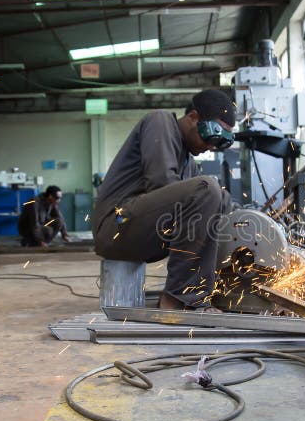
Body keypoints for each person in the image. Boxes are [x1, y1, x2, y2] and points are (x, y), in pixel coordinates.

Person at [92, 89, 235, 312]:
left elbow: (210, 205)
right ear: (193, 117)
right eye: (210, 137)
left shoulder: (188, 160)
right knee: (208, 188)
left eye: (218, 143)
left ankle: (218, 288)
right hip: (115, 227)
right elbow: (162, 184)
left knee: (222, 199)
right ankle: (178, 298)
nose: (210, 147)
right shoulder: (160, 121)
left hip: (139, 228)